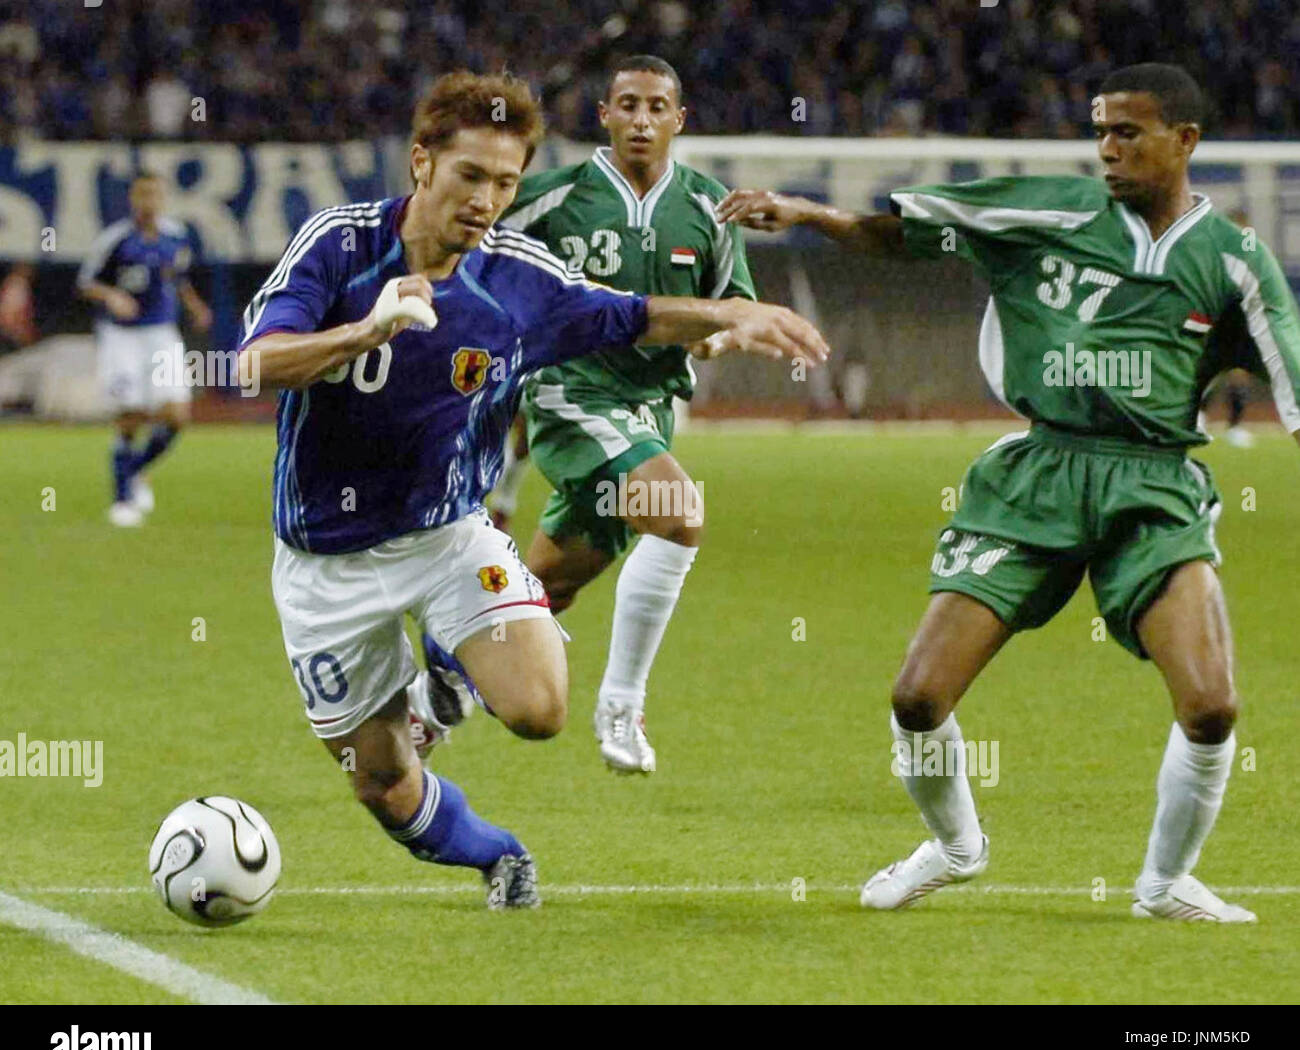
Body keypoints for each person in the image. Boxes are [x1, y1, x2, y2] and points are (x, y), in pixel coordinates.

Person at [719, 62, 1300, 922]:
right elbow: (907, 233)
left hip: (1154, 486)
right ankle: (955, 845)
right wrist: (812, 215)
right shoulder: (1050, 211)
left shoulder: (1235, 261)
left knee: (1211, 706)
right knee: (917, 696)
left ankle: (1163, 882)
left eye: (1128, 133)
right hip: (1039, 475)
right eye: (1100, 130)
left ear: (1185, 141)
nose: (1107, 150)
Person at [236, 71, 827, 908]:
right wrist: (366, 329)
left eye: (506, 182)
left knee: (540, 706)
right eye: (470, 175)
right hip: (324, 563)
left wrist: (727, 315)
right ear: (421, 164)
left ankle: (445, 663)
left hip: (447, 537)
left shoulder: (518, 279)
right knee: (382, 783)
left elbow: (631, 314)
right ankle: (499, 854)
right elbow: (254, 362)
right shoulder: (339, 244)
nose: (487, 199)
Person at [433, 55, 756, 776]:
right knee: (678, 514)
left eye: (656, 107)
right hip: (570, 395)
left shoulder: (710, 209)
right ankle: (622, 701)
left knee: (550, 587)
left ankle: (439, 664)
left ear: (680, 119)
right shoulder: (548, 199)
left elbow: (733, 306)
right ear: (605, 116)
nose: (642, 119)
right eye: (628, 105)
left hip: (650, 411)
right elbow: (465, 249)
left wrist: (721, 333)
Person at [78, 172, 212, 526]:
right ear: (132, 198)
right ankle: (122, 498)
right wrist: (113, 295)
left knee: (177, 416)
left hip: (162, 332)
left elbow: (176, 277)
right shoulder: (116, 239)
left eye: (154, 194)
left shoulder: (175, 236)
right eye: (142, 194)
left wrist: (194, 306)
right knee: (131, 414)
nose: (148, 201)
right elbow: (86, 282)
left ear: (163, 197)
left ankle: (133, 470)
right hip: (122, 336)